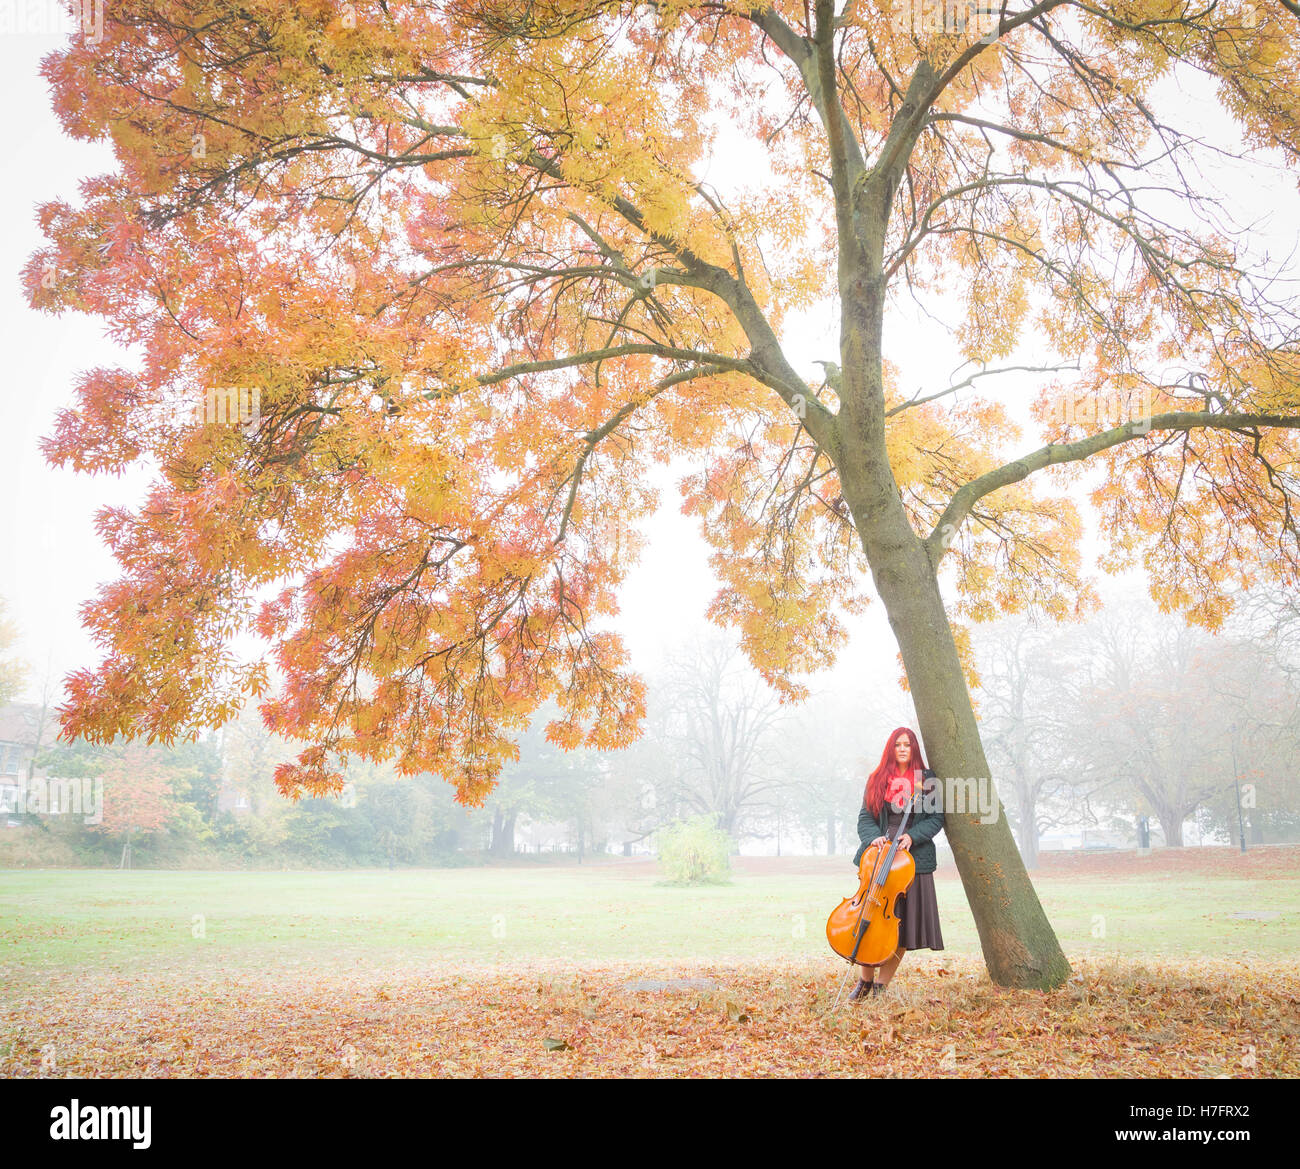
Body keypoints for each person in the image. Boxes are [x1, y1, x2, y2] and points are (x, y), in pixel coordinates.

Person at [848, 726, 945, 1000]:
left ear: (914, 749)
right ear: (891, 749)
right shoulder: (877, 778)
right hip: (879, 859)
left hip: (911, 863)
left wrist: (912, 836)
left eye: (907, 744)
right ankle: (864, 981)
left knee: (902, 926)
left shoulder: (927, 780)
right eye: (897, 744)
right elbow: (865, 818)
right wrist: (874, 839)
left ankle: (881, 987)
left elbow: (936, 819)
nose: (902, 748)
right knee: (870, 917)